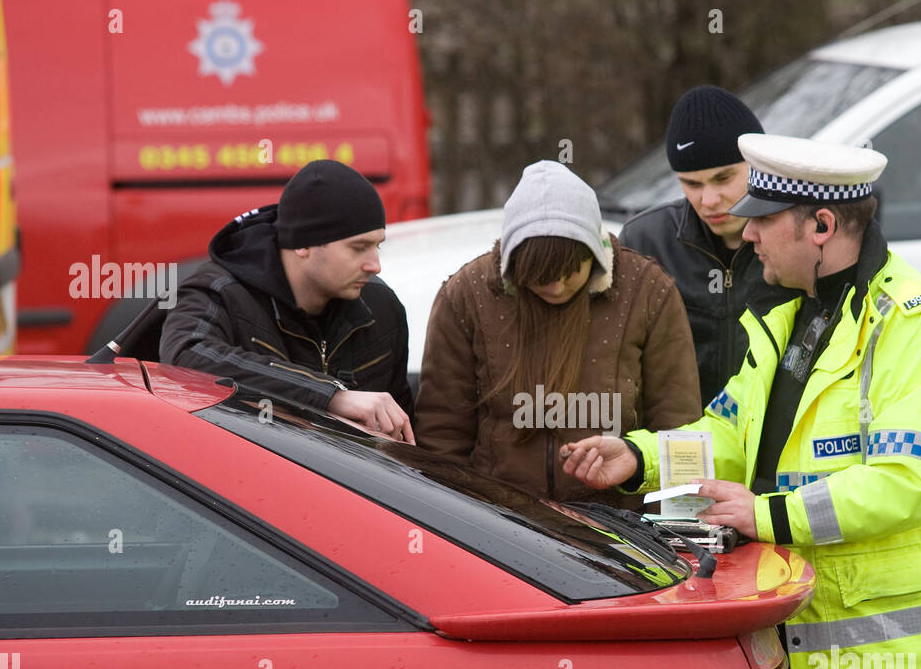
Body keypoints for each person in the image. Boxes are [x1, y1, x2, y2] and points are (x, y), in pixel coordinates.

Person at [561, 134, 921, 669]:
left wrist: (767, 514)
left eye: (765, 218)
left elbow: (904, 485)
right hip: (823, 655)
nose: (748, 230)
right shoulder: (790, 321)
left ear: (822, 228)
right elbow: (728, 435)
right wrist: (637, 458)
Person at [415, 160, 701, 503]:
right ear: (515, 263)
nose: (556, 286)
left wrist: (677, 529)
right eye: (540, 275)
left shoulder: (646, 292)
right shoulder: (468, 296)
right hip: (497, 523)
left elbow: (678, 428)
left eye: (570, 272)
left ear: (594, 256)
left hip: (620, 529)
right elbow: (444, 433)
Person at [161, 159, 415, 442]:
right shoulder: (221, 291)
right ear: (303, 244)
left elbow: (404, 429)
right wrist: (331, 396)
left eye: (377, 245)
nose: (375, 265)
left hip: (349, 481)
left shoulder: (381, 307)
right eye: (358, 248)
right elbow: (185, 356)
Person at [621, 86, 801, 408]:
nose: (708, 201)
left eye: (723, 178)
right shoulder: (644, 242)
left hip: (777, 447)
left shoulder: (798, 237)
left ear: (757, 164)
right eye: (691, 184)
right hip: (677, 445)